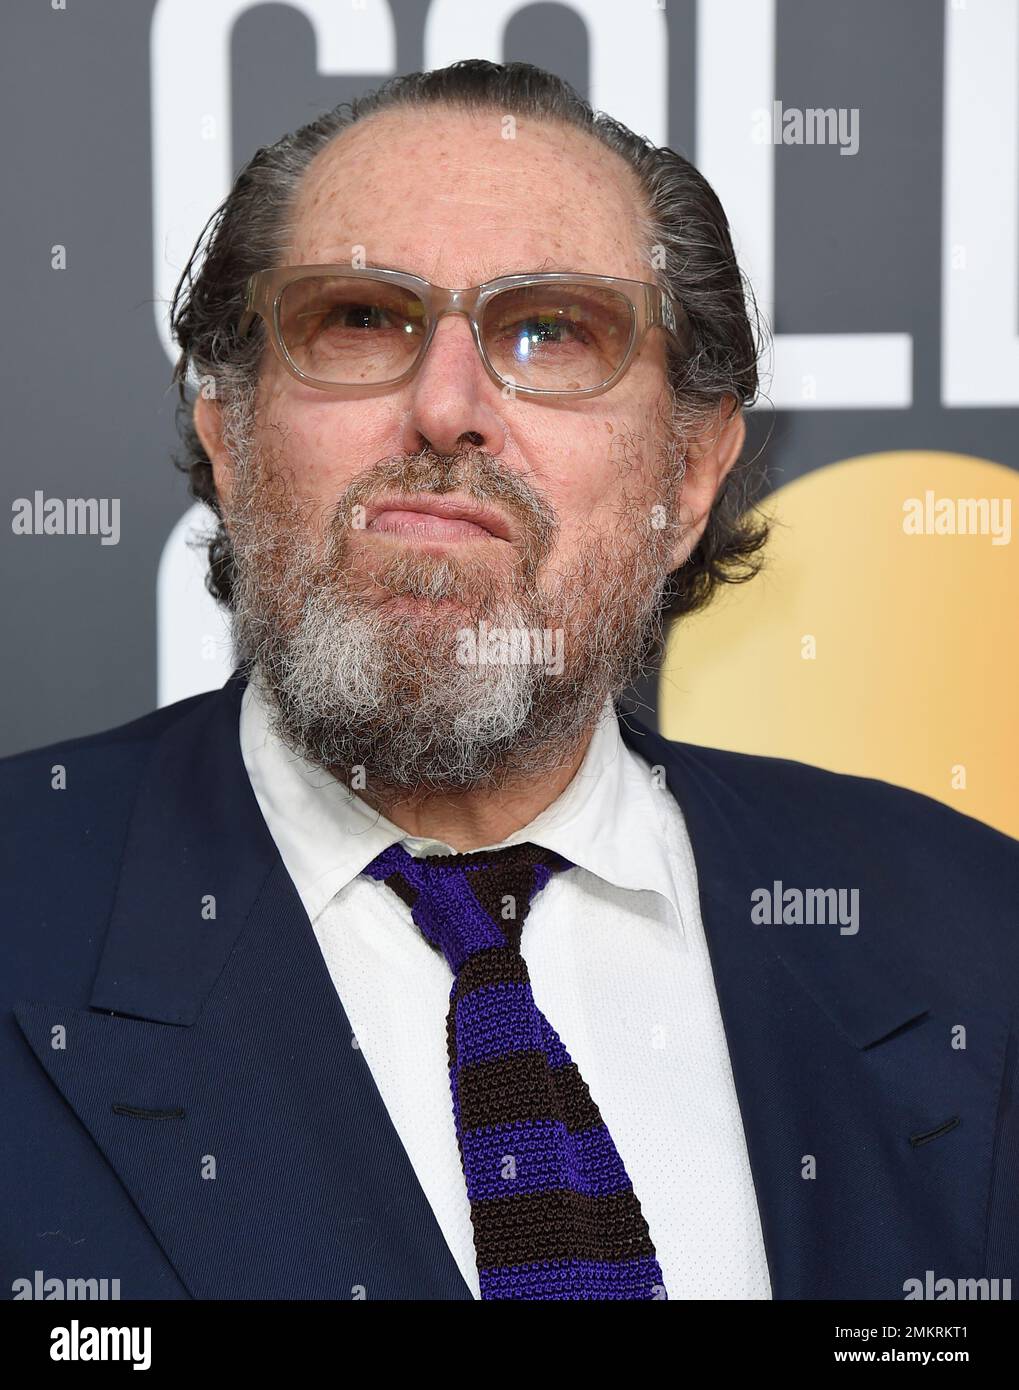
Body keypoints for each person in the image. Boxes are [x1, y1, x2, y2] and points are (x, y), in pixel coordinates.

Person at [3, 60, 1016, 1302]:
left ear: (689, 475)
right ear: (227, 430)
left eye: (551, 333)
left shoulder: (973, 937)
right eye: (359, 320)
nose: (443, 408)